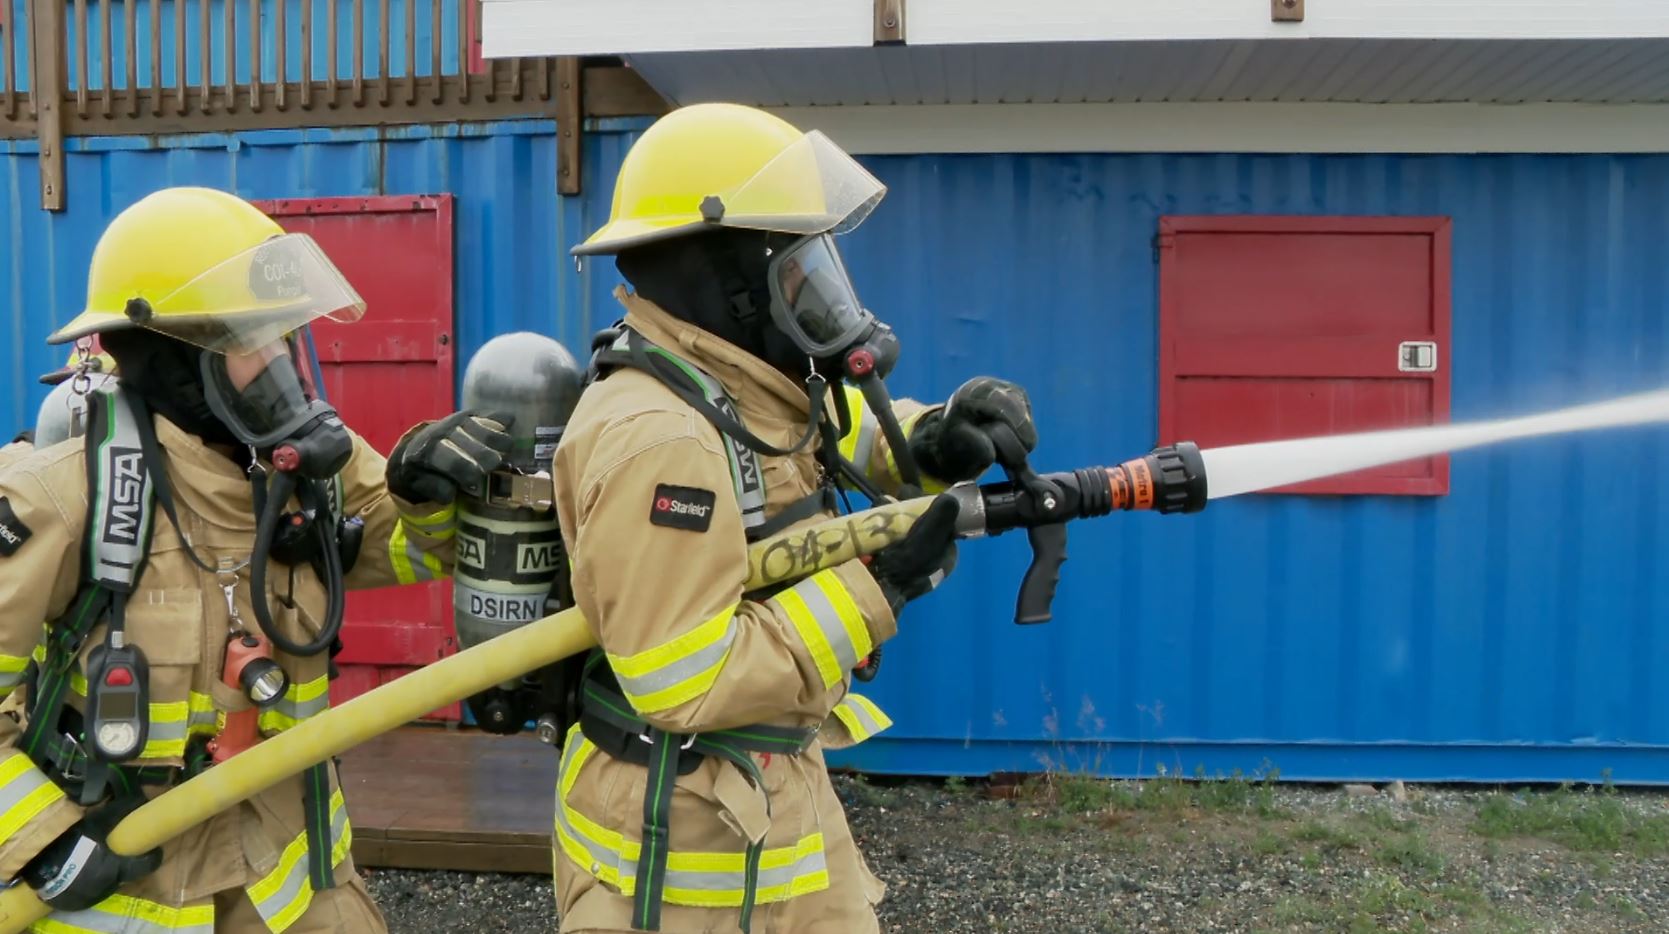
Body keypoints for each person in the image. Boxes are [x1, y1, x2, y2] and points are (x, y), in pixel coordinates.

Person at [549, 103, 1036, 933]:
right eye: (797, 265)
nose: (818, 292)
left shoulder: (729, 386)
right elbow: (682, 677)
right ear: (726, 281)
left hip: (767, 795)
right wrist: (876, 587)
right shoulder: (662, 438)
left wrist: (930, 439)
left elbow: (806, 443)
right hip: (678, 853)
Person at [0, 187, 511, 932]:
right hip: (132, 895)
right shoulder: (58, 497)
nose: (282, 368)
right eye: (253, 341)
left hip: (295, 892)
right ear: (175, 359)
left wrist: (426, 496)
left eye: (284, 339)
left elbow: (415, 550)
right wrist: (41, 839)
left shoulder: (308, 471)